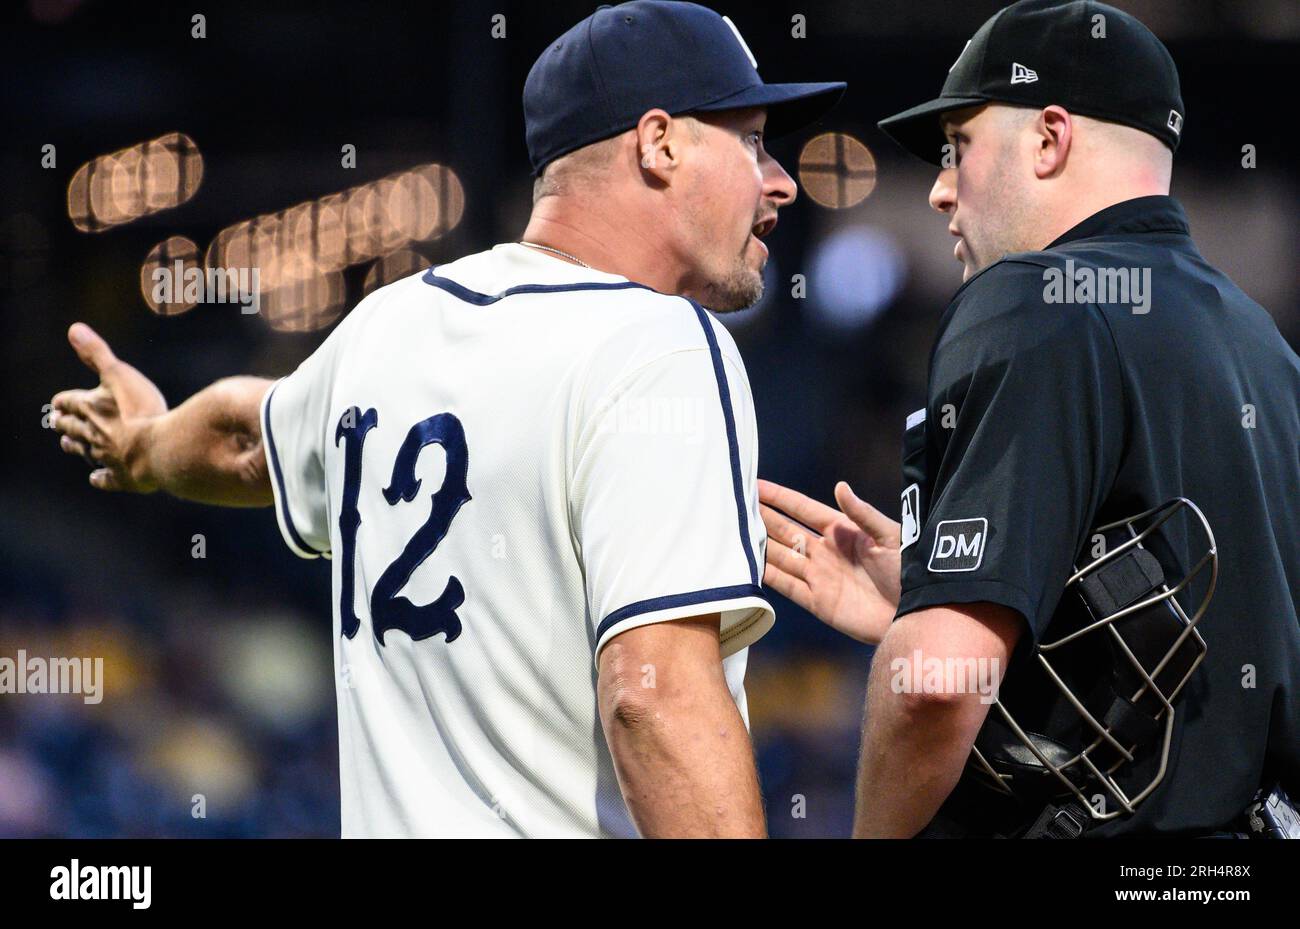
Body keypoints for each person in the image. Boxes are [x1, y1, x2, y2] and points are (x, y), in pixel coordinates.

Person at [49, 1, 844, 838]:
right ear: (658, 143)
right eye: (752, 141)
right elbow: (654, 698)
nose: (781, 179)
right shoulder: (662, 345)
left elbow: (248, 438)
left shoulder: (387, 325)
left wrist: (145, 445)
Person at [760, 0, 1299, 837]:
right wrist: (956, 595)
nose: (940, 189)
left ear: (1049, 139)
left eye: (957, 148)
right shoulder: (1263, 345)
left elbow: (937, 683)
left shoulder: (1031, 300)